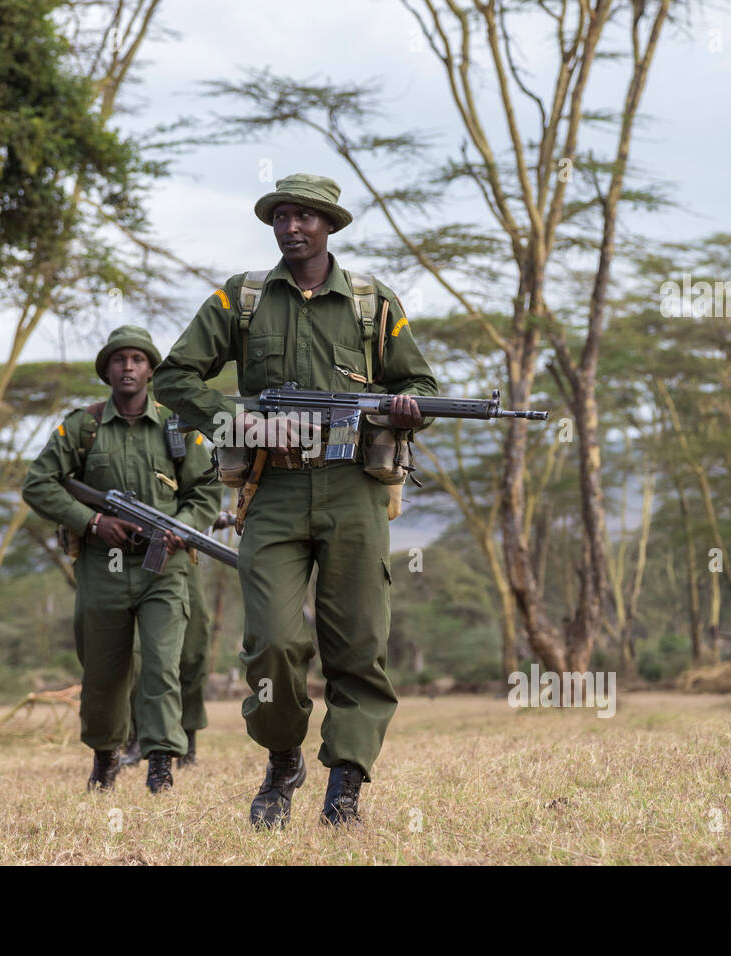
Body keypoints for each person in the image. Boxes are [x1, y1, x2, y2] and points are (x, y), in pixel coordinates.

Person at [153, 173, 438, 828]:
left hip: (355, 490)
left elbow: (419, 382)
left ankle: (345, 789)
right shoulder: (241, 299)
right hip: (271, 489)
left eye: (306, 216)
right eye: (282, 215)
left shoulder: (373, 304)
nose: (292, 226)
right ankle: (283, 760)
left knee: (359, 646)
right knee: (274, 644)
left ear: (329, 226)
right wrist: (240, 423)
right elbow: (174, 377)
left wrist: (406, 408)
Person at [23, 326, 220, 794]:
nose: (127, 367)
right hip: (102, 567)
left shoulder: (178, 426)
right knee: (103, 672)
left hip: (164, 568)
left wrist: (181, 525)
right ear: (107, 369)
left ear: (151, 369)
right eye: (119, 360)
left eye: (136, 359)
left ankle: (161, 765)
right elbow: (39, 483)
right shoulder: (81, 426)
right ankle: (105, 758)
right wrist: (93, 523)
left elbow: (205, 490)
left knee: (161, 666)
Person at [119, 510, 234, 770]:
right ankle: (137, 738)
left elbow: (201, 494)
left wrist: (203, 516)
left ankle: (188, 739)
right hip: (129, 554)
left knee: (194, 650)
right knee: (138, 656)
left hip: (182, 552)